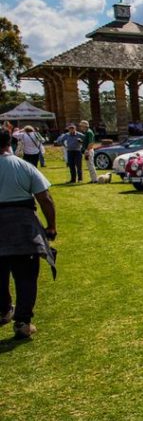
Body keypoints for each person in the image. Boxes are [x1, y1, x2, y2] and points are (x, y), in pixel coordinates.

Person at [0, 129, 57, 339]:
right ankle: (23, 322)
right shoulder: (24, 166)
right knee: (26, 277)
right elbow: (45, 199)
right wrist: (51, 226)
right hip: (23, 227)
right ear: (10, 143)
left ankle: (3, 310)